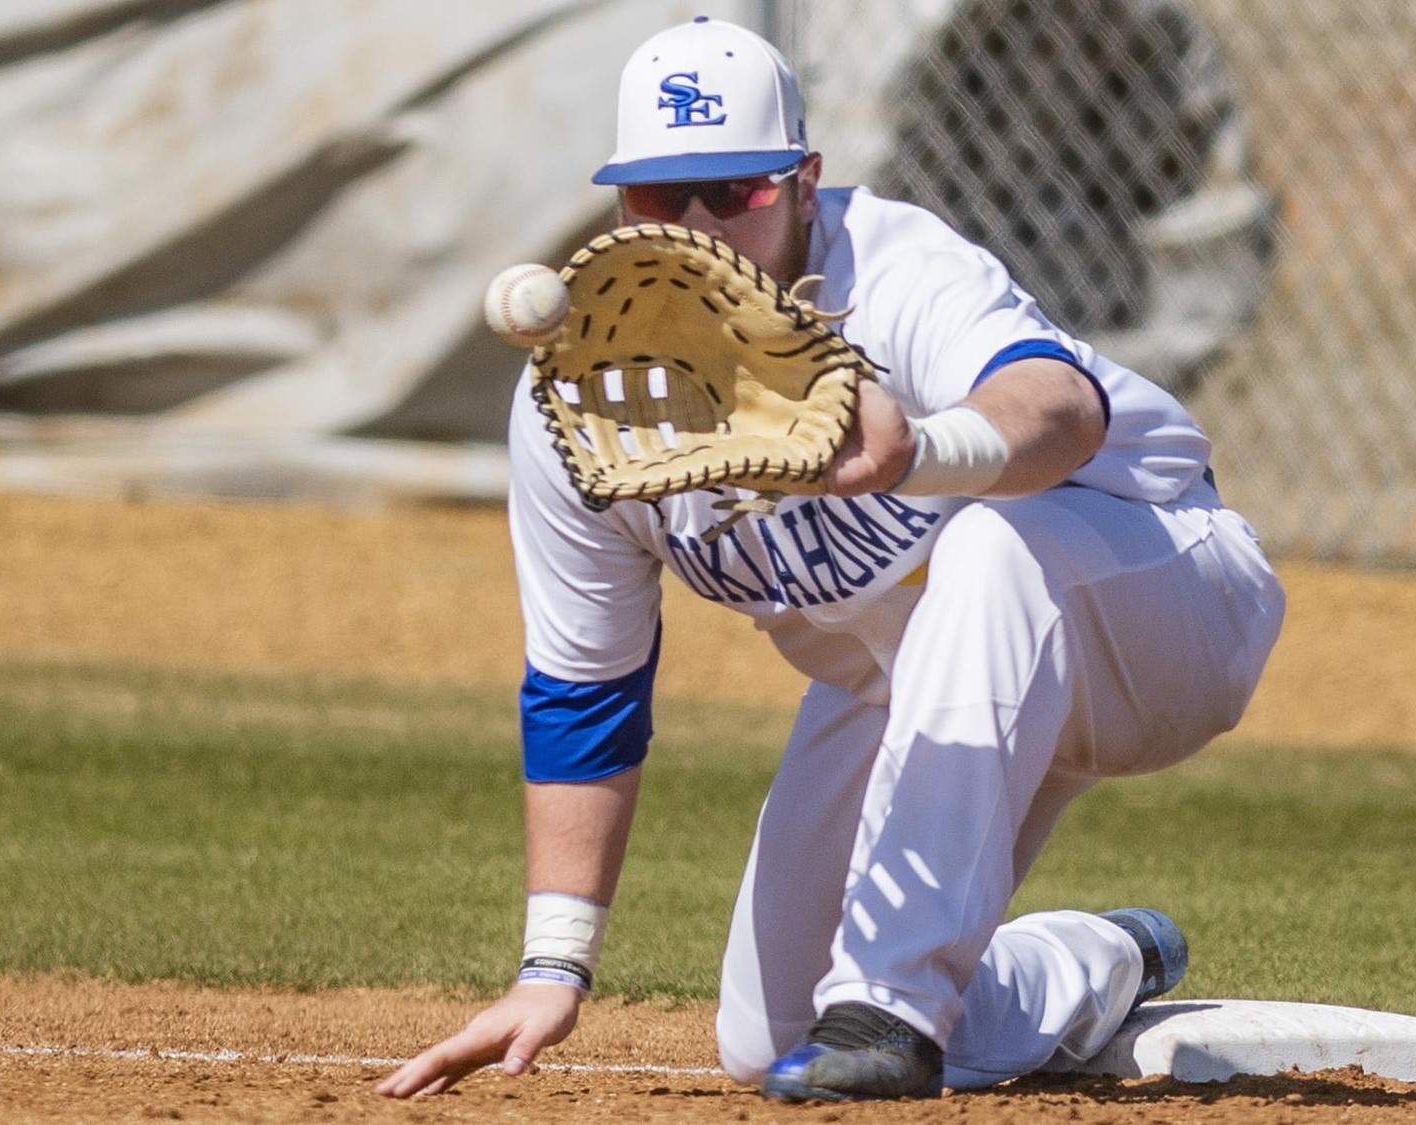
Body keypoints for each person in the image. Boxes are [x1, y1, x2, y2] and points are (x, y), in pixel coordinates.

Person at [378, 15, 1284, 1103]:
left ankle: (893, 1005)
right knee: (773, 1042)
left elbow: (1061, 407)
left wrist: (927, 450)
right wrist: (550, 969)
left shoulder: (896, 272)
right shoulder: (584, 409)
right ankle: (1093, 964)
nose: (704, 225)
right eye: (666, 199)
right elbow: (585, 687)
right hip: (920, 676)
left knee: (992, 543)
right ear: (622, 204)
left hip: (1156, 598)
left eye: (739, 192)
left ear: (804, 182)